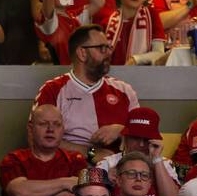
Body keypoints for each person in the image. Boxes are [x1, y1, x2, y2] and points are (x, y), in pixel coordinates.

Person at [35, 24, 139, 157]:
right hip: (73, 168)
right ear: (82, 53)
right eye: (102, 48)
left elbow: (144, 137)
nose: (108, 53)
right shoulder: (52, 90)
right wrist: (91, 153)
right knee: (91, 177)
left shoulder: (124, 90)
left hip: (120, 171)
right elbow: (37, 139)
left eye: (108, 47)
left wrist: (120, 131)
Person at [0, 104, 87, 196]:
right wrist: (65, 183)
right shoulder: (15, 159)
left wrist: (33, 194)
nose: (50, 129)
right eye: (43, 124)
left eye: (56, 124)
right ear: (30, 128)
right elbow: (20, 193)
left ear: (63, 129)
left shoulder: (76, 160)